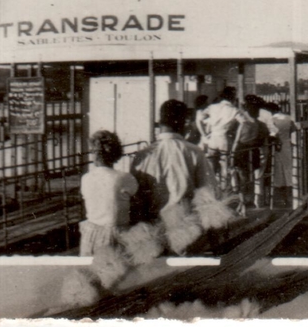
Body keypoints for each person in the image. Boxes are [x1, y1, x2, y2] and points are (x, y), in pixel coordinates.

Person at [130, 99, 216, 243]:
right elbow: (208, 194)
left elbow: (136, 199)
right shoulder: (194, 152)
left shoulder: (142, 155)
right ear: (182, 123)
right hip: (187, 232)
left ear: (161, 122)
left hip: (153, 235)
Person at [78, 129, 137, 256]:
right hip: (118, 235)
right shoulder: (125, 178)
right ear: (116, 154)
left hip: (91, 234)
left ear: (94, 154)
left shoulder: (86, 178)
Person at [258, 101, 295, 206]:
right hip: (286, 144)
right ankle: (289, 188)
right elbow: (293, 129)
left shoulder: (272, 120)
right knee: (288, 166)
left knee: (277, 167)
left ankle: (278, 189)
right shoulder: (288, 118)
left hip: (276, 146)